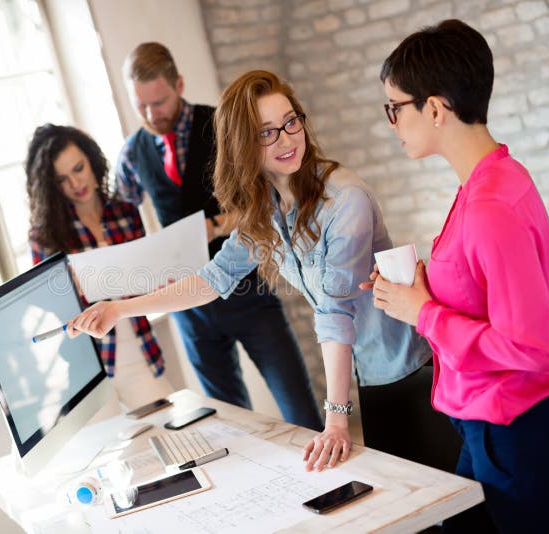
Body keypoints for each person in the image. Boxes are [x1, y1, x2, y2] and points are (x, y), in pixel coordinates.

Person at [69, 70, 460, 473]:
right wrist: (119, 309)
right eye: (267, 133)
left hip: (411, 370)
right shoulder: (268, 209)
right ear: (243, 145)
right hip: (370, 372)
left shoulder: (345, 200)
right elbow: (213, 278)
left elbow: (335, 312)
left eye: (291, 123)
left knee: (438, 491)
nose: (286, 140)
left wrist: (336, 420)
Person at [367, 19, 549, 532]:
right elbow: (481, 290)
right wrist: (421, 290)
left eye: (395, 108)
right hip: (488, 423)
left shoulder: (491, 205)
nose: (392, 123)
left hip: (513, 428)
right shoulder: (487, 181)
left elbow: (530, 347)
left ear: (435, 109)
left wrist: (422, 312)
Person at [115, 42, 322, 431]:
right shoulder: (131, 153)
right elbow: (121, 220)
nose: (151, 115)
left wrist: (211, 227)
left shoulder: (222, 127)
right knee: (230, 423)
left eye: (158, 102)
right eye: (140, 106)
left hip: (248, 292)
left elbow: (267, 198)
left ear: (179, 84)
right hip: (190, 310)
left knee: (299, 409)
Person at [25, 124, 173, 413]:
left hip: (140, 354)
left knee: (175, 427)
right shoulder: (46, 235)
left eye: (78, 168)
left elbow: (145, 281)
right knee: (104, 442)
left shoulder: (125, 212)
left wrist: (160, 276)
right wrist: (69, 290)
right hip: (89, 368)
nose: (75, 183)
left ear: (92, 160)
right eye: (62, 179)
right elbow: (48, 304)